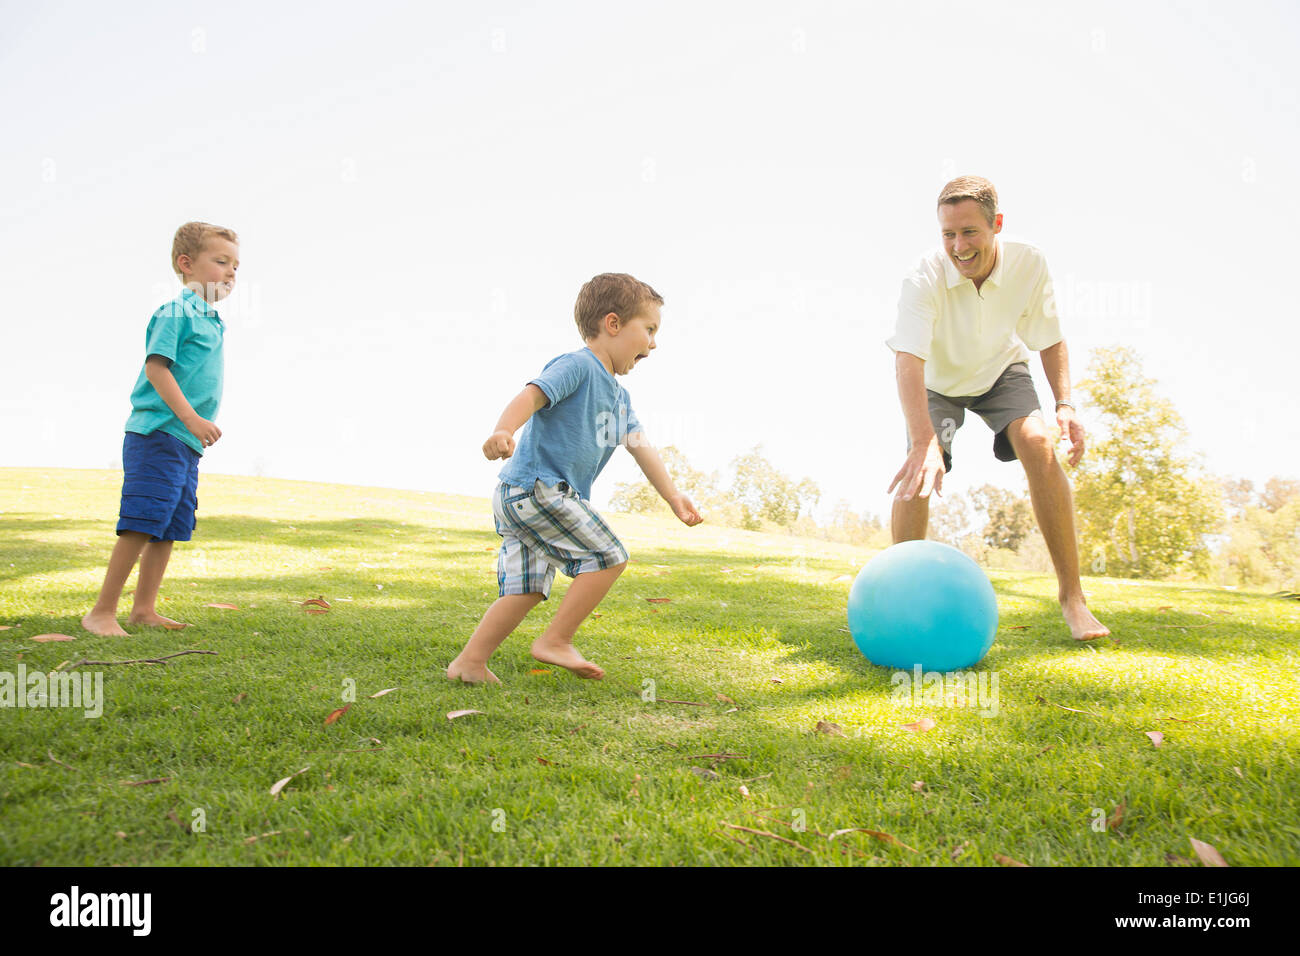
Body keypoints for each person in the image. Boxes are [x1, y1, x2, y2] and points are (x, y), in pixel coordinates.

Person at [447, 273, 703, 684]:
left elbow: (639, 445)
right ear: (613, 324)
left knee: (526, 589)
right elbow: (531, 395)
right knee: (610, 556)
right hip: (540, 488)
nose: (653, 344)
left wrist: (673, 497)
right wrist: (503, 431)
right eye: (649, 330)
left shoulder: (619, 397)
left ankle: (469, 664)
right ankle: (556, 640)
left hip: (519, 495)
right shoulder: (579, 366)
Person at [886, 177, 1109, 641]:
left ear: (996, 225)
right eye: (948, 234)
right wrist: (926, 442)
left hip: (1001, 372)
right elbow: (907, 359)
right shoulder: (923, 277)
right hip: (939, 384)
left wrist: (1064, 403)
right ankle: (898, 599)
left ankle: (1073, 598)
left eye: (969, 233)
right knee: (919, 474)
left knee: (1038, 443)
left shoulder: (1029, 262)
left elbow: (1049, 337)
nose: (958, 246)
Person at [81, 222, 239, 637]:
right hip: (158, 434)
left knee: (168, 524)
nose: (231, 273)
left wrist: (191, 429)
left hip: (184, 444)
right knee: (142, 520)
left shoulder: (212, 321)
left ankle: (143, 609)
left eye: (236, 266)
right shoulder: (177, 312)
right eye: (221, 262)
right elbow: (156, 368)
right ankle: (101, 611)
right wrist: (190, 417)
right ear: (186, 264)